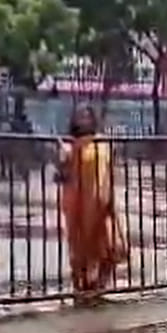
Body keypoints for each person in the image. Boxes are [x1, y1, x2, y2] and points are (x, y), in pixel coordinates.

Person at [59, 105, 126, 305]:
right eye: (80, 116)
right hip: (77, 201)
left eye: (87, 115)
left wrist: (111, 196)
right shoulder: (70, 144)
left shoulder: (102, 142)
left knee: (110, 246)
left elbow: (110, 172)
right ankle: (82, 291)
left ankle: (97, 288)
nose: (84, 119)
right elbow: (61, 175)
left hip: (100, 200)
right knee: (80, 247)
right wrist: (64, 158)